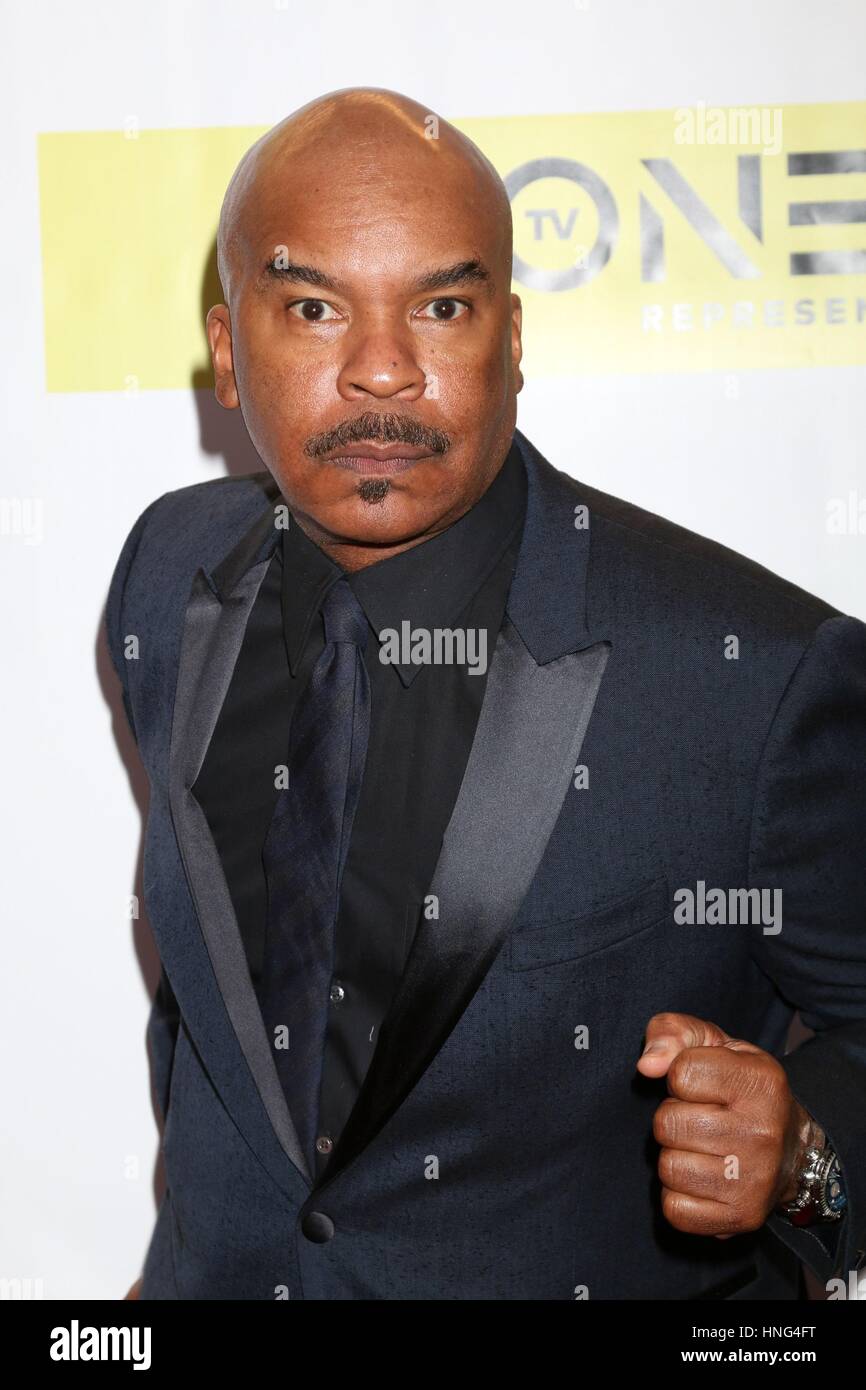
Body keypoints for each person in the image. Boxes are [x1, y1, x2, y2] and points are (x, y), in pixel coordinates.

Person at [108, 87, 865, 1301]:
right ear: (228, 349)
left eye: (442, 306)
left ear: (510, 338)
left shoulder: (749, 676)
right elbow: (212, 1019)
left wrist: (809, 1160)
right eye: (311, 307)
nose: (382, 372)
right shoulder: (163, 574)